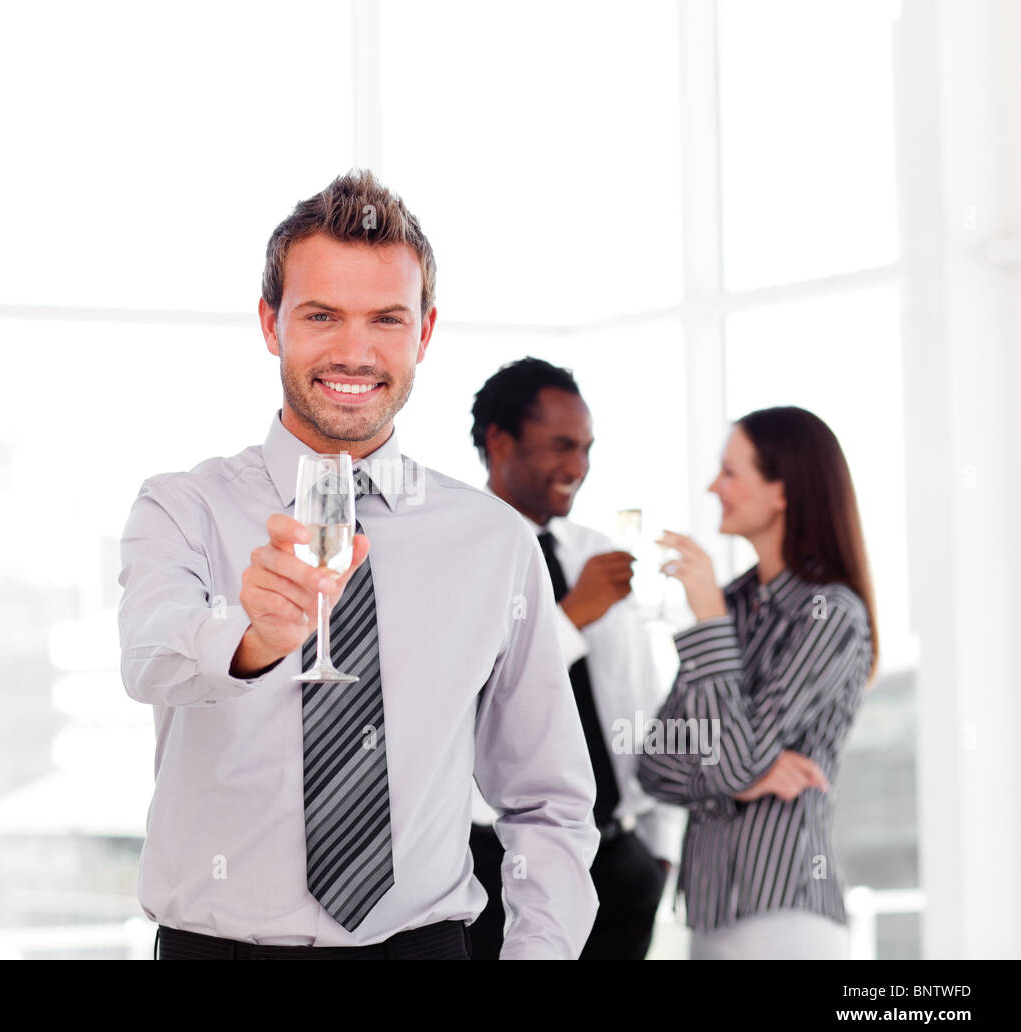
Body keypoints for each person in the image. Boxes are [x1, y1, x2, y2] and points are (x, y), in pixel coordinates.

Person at [117, 170, 600, 960]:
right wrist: (251, 637)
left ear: (425, 332)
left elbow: (546, 798)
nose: (354, 351)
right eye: (321, 315)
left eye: (386, 319)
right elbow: (150, 655)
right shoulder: (183, 507)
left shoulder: (495, 542)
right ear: (272, 324)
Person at [637, 406, 877, 960]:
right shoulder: (734, 605)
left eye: (730, 472)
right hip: (709, 912)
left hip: (787, 915)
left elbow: (731, 759)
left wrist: (709, 622)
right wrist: (743, 778)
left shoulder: (831, 615)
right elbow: (654, 765)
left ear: (783, 491)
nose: (713, 486)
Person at [466, 357, 686, 961]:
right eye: (561, 446)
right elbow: (466, 703)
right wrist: (575, 614)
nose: (579, 468)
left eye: (587, 449)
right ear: (499, 440)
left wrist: (659, 846)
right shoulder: (459, 558)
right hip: (493, 866)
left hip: (617, 866)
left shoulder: (601, 557)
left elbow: (641, 705)